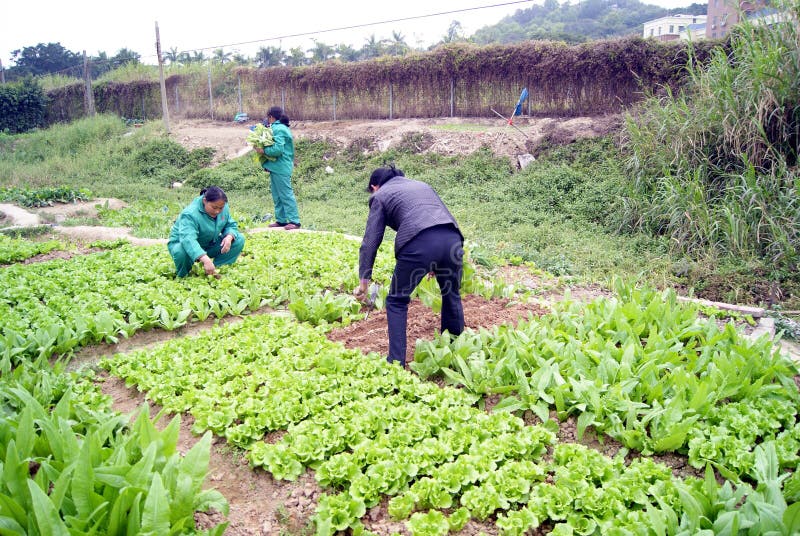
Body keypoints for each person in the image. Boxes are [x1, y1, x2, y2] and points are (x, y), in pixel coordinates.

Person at [354, 165, 465, 367]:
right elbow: (434, 218)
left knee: (397, 300)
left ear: (374, 187)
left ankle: (395, 363)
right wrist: (434, 260)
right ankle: (455, 349)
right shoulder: (421, 185)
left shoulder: (380, 195)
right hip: (452, 238)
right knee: (451, 293)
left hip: (419, 244)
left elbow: (370, 241)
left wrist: (364, 281)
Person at [168, 186, 245, 277]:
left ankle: (217, 269)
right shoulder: (190, 214)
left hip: (209, 244)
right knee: (180, 251)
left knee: (238, 239)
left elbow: (230, 225)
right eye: (214, 207)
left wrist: (229, 237)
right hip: (186, 246)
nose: (217, 211)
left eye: (220, 208)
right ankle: (185, 276)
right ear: (205, 201)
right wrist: (204, 258)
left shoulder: (222, 206)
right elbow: (188, 240)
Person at [254, 106, 301, 230]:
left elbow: (278, 150)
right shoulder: (279, 128)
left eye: (267, 117)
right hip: (277, 167)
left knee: (285, 194)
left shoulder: (278, 129)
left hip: (281, 167)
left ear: (271, 117)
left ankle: (295, 221)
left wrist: (263, 150)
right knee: (277, 195)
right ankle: (281, 220)